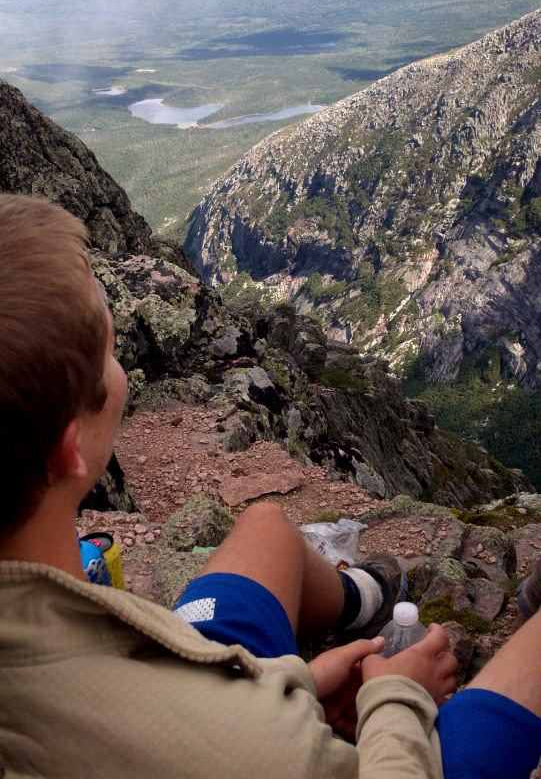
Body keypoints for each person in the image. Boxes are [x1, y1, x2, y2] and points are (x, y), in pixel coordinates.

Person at [0, 192, 539, 779]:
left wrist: (290, 681)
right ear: (69, 447)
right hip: (322, 747)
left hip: (207, 689)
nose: (120, 369)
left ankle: (363, 598)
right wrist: (393, 698)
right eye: (109, 351)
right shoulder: (255, 751)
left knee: (265, 526)